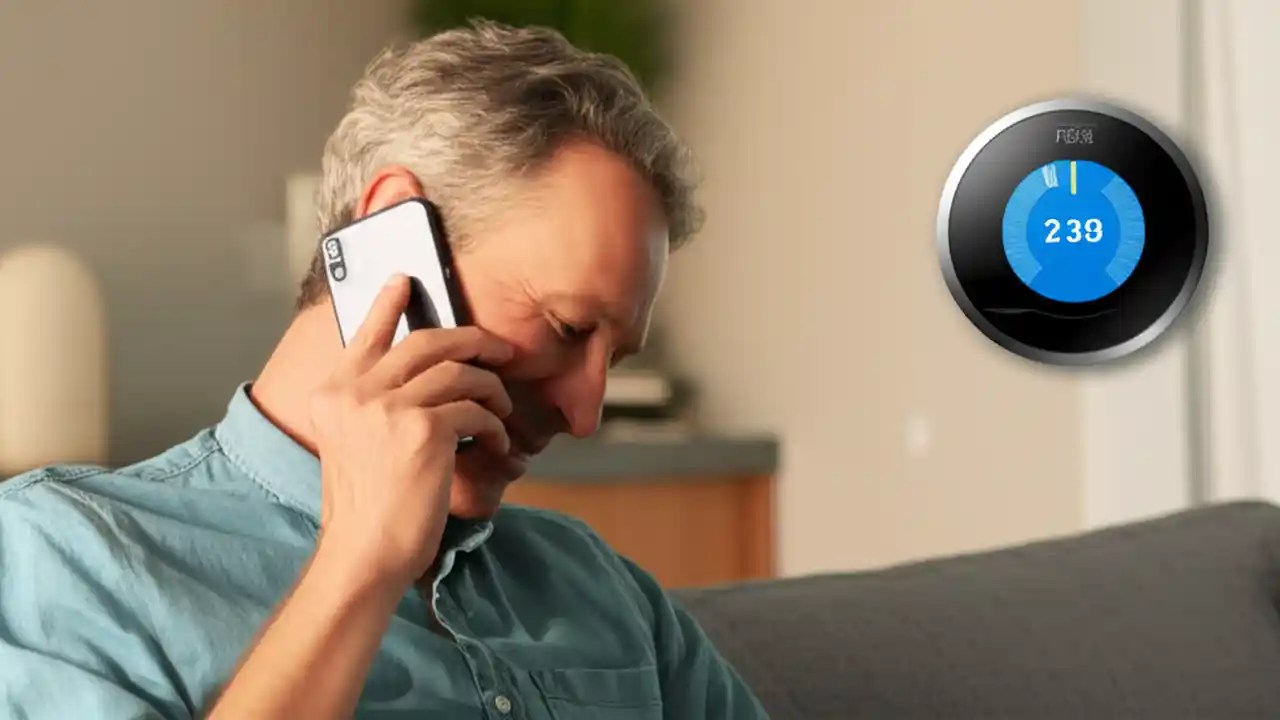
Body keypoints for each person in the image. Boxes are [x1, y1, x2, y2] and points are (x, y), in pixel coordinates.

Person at [0, 20, 770, 720]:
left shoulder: (602, 590)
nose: (585, 414)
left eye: (616, 358)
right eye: (567, 326)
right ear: (393, 236)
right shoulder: (63, 557)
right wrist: (360, 564)